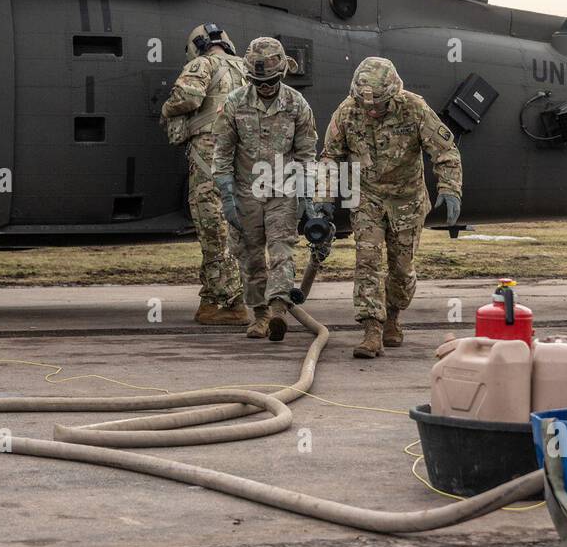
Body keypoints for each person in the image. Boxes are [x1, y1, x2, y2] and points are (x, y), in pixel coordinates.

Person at [317, 57, 462, 359]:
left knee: (401, 269)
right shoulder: (347, 111)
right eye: (366, 104)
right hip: (366, 197)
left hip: (406, 200)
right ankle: (371, 330)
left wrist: (449, 189)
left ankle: (393, 315)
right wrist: (323, 200)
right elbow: (330, 157)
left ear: (393, 95)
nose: (371, 111)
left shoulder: (414, 108)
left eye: (378, 105)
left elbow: (445, 150)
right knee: (366, 260)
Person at [213, 38, 316, 341]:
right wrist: (227, 194)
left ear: (282, 74)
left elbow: (307, 154)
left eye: (271, 81)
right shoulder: (234, 104)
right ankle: (259, 315)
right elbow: (221, 154)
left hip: (282, 191)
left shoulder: (297, 104)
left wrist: (307, 195)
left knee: (282, 251)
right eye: (259, 82)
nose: (266, 87)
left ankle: (279, 311)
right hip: (246, 192)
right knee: (251, 257)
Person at [160, 23, 249, 325]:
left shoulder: (202, 65)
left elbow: (187, 98)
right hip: (243, 161)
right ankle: (212, 299)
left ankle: (232, 302)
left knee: (211, 227)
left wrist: (167, 111)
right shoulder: (246, 69)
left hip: (209, 160)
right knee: (231, 229)